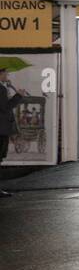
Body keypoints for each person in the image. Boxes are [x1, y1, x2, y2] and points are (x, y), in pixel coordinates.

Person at [0, 69, 22, 198]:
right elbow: (5, 107)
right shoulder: (1, 89)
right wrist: (18, 95)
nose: (7, 76)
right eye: (6, 74)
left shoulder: (3, 88)